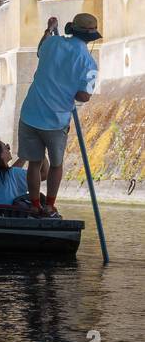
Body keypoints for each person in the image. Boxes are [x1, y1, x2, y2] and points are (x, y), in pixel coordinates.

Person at [17, 14, 101, 217]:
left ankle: (35, 204)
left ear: (72, 29)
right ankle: (50, 205)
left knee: (34, 164)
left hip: (30, 114)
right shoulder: (90, 64)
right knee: (56, 165)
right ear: (90, 38)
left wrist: (49, 29)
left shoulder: (53, 42)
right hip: (56, 120)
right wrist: (68, 87)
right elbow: (84, 96)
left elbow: (40, 50)